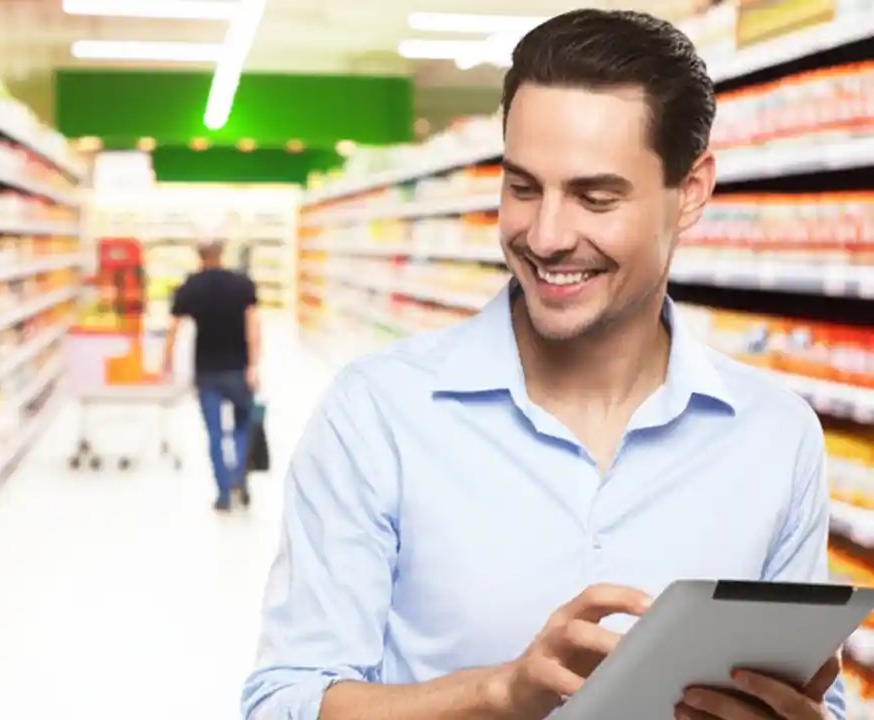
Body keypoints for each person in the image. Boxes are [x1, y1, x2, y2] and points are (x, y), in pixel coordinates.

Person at [243, 9, 844, 720]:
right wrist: (500, 693)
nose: (546, 236)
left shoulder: (776, 436)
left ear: (690, 193)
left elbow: (817, 701)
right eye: (522, 187)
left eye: (595, 197)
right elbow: (286, 701)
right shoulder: (378, 412)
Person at [163, 239, 261, 511]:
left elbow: (173, 328)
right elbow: (253, 326)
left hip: (207, 372)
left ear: (199, 255)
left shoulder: (191, 286)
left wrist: (166, 363)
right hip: (239, 369)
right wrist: (253, 365)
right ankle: (238, 474)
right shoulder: (241, 284)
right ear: (222, 253)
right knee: (243, 425)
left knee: (215, 434)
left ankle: (223, 492)